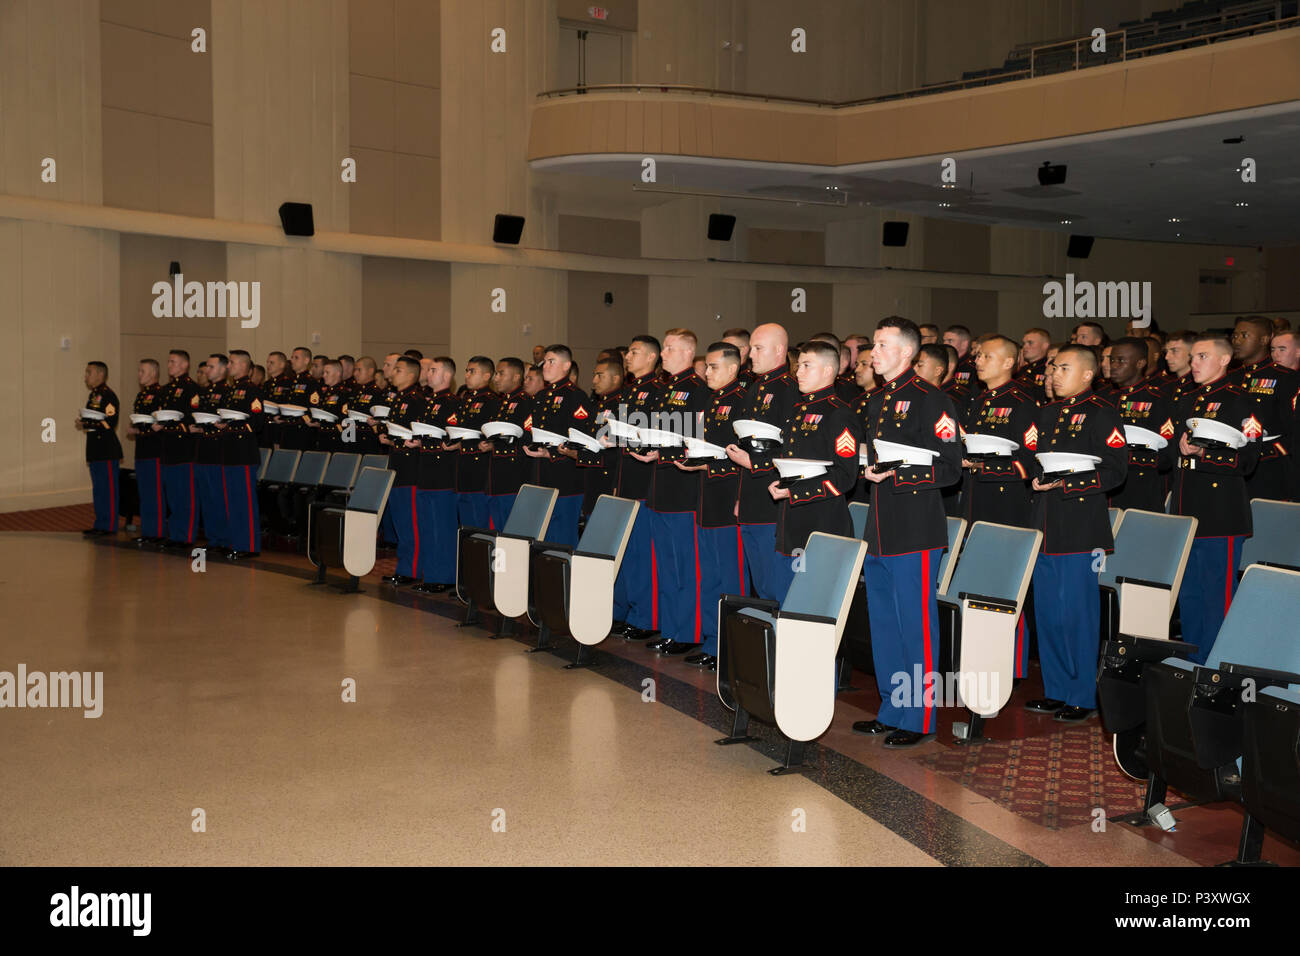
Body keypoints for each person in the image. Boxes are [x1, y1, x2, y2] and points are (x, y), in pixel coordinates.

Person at [854, 317, 962, 748]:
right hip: (879, 527)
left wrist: (895, 476)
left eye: (881, 346)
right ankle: (891, 708)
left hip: (915, 529)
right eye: (874, 345)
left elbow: (950, 467)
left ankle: (919, 719)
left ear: (905, 353)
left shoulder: (931, 400)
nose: (873, 353)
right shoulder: (878, 399)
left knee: (915, 627)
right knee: (883, 623)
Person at [1025, 345, 1127, 722]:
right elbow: (1034, 457)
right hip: (1045, 523)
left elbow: (1116, 471)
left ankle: (1082, 694)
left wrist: (1068, 483)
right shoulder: (1047, 413)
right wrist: (1035, 477)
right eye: (1054, 367)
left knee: (1077, 614)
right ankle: (1056, 689)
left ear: (1087, 374)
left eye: (1063, 368)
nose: (1054, 373)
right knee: (1048, 613)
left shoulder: (1103, 413)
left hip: (1081, 526)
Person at [1170, 334, 1265, 664]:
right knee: (1190, 597)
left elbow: (1250, 458)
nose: (1193, 363)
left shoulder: (1241, 402)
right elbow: (1172, 456)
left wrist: (1204, 454)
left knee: (1218, 599)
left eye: (1202, 356)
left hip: (1220, 514)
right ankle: (1195, 665)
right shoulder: (1187, 400)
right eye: (1193, 357)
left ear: (1224, 360)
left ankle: (1220, 668)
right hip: (1187, 513)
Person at [770, 339, 863, 587]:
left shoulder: (839, 414)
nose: (798, 372)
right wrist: (780, 483)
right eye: (798, 365)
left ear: (828, 371)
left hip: (821, 522)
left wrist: (795, 491)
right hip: (791, 521)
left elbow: (845, 476)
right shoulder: (798, 410)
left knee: (810, 600)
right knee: (786, 598)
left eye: (806, 366)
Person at [643, 329, 712, 656]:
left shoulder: (698, 391)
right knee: (666, 565)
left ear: (687, 353)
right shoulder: (661, 390)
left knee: (686, 566)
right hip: (660, 489)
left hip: (684, 490)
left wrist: (665, 452)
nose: (664, 353)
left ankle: (690, 630)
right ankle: (670, 627)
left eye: (669, 348)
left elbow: (696, 441)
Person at [724, 323, 799, 602]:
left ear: (779, 350)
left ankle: (780, 640)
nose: (750, 355)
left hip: (774, 499)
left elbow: (791, 449)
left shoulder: (789, 390)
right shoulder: (756, 388)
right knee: (760, 583)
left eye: (758, 348)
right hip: (752, 498)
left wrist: (755, 464)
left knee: (776, 584)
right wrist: (740, 496)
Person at [688, 342, 747, 670]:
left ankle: (732, 648)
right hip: (707, 498)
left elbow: (743, 458)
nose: (706, 372)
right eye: (706, 367)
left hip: (729, 499)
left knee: (731, 578)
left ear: (732, 369)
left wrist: (707, 466)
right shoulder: (711, 401)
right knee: (709, 575)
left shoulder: (741, 401)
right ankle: (713, 642)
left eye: (712, 367)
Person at [609, 335, 666, 641]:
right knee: (626, 552)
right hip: (625, 481)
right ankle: (623, 610)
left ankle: (644, 616)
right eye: (628, 351)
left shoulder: (658, 391)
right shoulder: (628, 392)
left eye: (634, 352)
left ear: (652, 357)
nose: (628, 357)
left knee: (644, 555)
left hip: (645, 483)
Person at [523, 345, 596, 548]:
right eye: (544, 361)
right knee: (542, 536)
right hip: (542, 475)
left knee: (562, 536)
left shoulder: (575, 396)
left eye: (551, 361)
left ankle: (567, 578)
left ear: (566, 365)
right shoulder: (541, 396)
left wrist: (552, 452)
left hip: (565, 477)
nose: (545, 366)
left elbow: (580, 437)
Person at [1229, 315, 1297, 502]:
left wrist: (1266, 452)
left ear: (1264, 340)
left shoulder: (1285, 378)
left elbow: (1294, 431)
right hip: (1232, 466)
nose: (1237, 341)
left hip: (1270, 467)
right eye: (1234, 336)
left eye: (1244, 335)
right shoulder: (1230, 378)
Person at [1106, 337, 1174, 512]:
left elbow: (1167, 456)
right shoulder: (1105, 399)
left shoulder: (1158, 400)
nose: (1113, 365)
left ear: (1140, 363)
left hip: (1140, 492)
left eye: (1121, 361)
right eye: (1112, 360)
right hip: (1106, 492)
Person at [410, 357, 460, 593]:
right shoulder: (429, 402)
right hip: (426, 472)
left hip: (442, 474)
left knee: (443, 527)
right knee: (427, 526)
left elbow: (454, 434)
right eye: (428, 370)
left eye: (433, 370)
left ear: (447, 376)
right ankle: (430, 574)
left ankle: (446, 575)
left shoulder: (451, 402)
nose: (428, 374)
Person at [379, 356, 428, 587]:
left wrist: (397, 439)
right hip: (398, 467)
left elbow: (417, 434)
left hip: (410, 469)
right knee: (400, 522)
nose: (393, 373)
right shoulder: (399, 399)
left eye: (398, 369)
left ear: (410, 375)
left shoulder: (416, 400)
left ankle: (413, 569)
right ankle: (404, 566)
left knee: (410, 524)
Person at [219, 350, 265, 560]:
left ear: (244, 366)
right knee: (231, 501)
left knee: (244, 502)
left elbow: (256, 422)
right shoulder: (230, 391)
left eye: (232, 362)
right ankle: (235, 542)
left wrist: (234, 424)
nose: (228, 366)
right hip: (229, 453)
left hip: (244, 453)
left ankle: (249, 546)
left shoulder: (252, 391)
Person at [159, 350, 201, 549]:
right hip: (168, 449)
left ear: (185, 365)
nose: (169, 365)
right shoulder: (166, 390)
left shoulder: (191, 389)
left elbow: (193, 418)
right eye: (168, 362)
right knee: (173, 497)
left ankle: (186, 536)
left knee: (186, 497)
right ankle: (175, 534)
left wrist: (176, 426)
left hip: (185, 449)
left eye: (173, 362)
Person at [191, 355, 231, 554]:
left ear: (223, 369)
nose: (207, 369)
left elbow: (228, 422)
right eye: (206, 366)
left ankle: (224, 538)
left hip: (218, 451)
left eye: (211, 366)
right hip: (202, 451)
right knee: (206, 498)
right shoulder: (205, 392)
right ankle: (213, 538)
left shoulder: (227, 392)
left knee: (218, 497)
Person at [77, 361, 123, 535]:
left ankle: (110, 526)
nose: (86, 376)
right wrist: (85, 422)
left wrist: (87, 422)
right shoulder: (94, 395)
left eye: (89, 372)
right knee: (99, 489)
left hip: (107, 450)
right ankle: (100, 523)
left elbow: (110, 422)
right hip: (96, 449)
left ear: (100, 375)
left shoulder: (108, 396)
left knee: (109, 490)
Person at [127, 359, 167, 544]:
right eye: (139, 371)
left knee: (155, 494)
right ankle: (148, 530)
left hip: (155, 450)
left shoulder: (161, 394)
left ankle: (157, 532)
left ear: (153, 373)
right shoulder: (141, 396)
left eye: (142, 371)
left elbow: (160, 425)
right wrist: (135, 429)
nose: (139, 375)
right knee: (145, 494)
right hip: (141, 450)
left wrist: (140, 430)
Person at [1016, 328, 1051, 401]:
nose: (1025, 347)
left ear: (1045, 346)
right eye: (1024, 343)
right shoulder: (1022, 370)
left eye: (1030, 343)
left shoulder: (1048, 368)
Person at [942, 325, 976, 390]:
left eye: (950, 341)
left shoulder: (971, 367)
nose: (945, 344)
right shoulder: (942, 362)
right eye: (944, 340)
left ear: (964, 344)